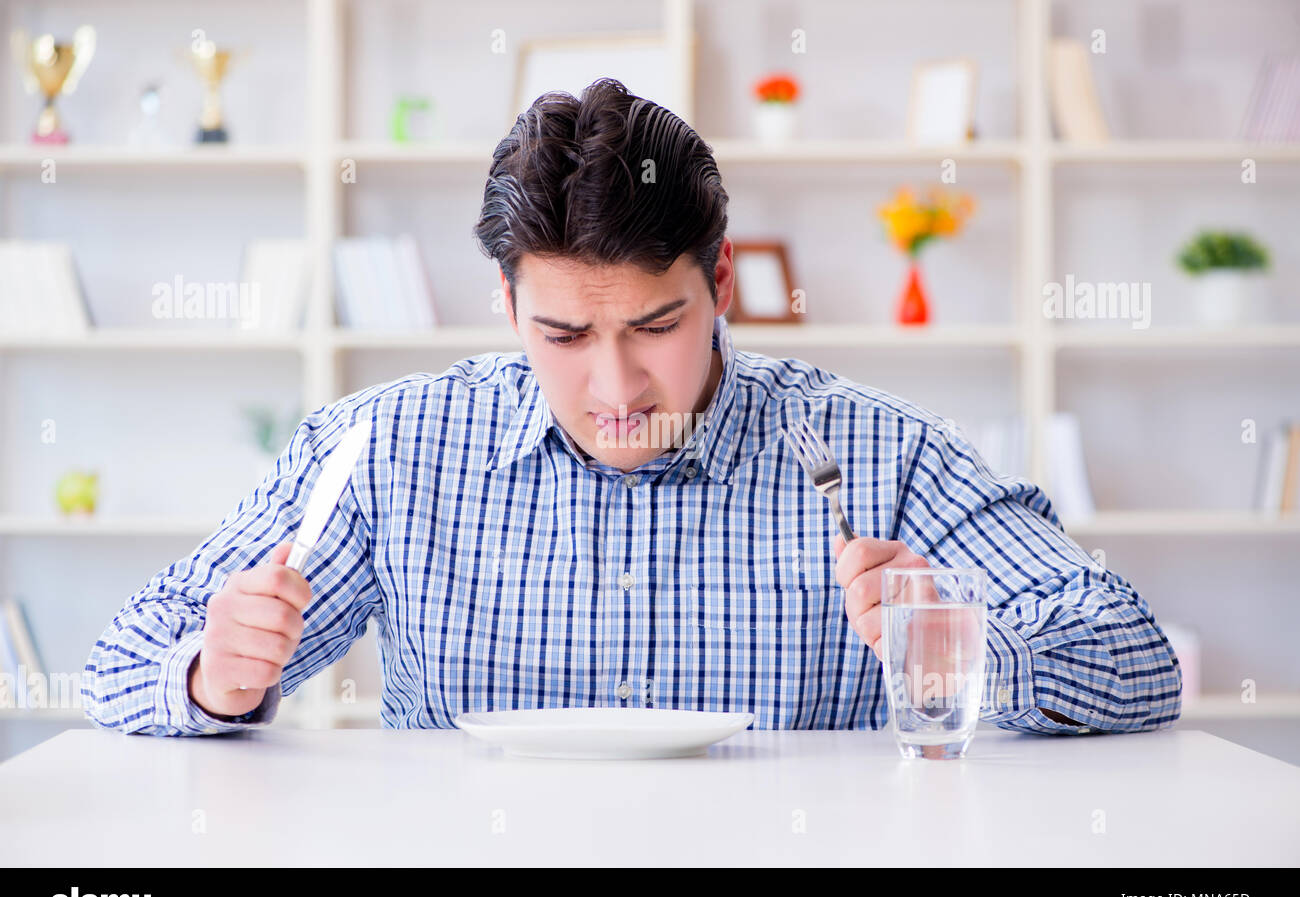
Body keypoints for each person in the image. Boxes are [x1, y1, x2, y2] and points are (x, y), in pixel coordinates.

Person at [83, 78, 1181, 737]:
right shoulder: (385, 451)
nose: (614, 392)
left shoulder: (871, 452)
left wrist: (966, 648)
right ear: (506, 305)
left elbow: (1136, 659)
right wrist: (209, 678)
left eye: (655, 326)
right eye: (562, 336)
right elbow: (121, 660)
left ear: (719, 282)